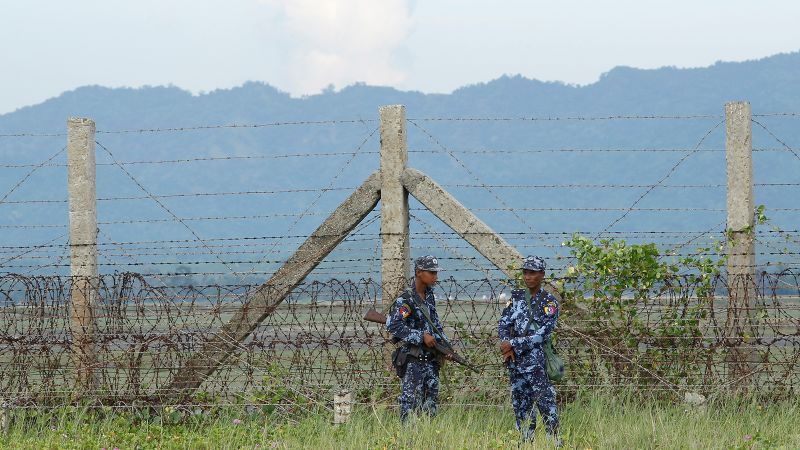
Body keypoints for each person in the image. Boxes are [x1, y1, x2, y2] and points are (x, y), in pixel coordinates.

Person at [498, 255, 561, 445]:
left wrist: (513, 344)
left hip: (537, 364)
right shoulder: (516, 298)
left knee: (546, 404)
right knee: (521, 406)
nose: (528, 277)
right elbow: (503, 323)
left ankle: (554, 443)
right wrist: (505, 343)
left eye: (532, 273)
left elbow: (542, 334)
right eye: (525, 272)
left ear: (542, 275)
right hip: (516, 363)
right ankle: (525, 443)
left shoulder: (549, 303)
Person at [386, 255, 448, 423]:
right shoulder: (406, 300)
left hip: (431, 360)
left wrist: (445, 345)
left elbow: (435, 324)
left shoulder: (429, 296)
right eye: (431, 273)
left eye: (436, 273)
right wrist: (421, 336)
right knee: (410, 406)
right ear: (419, 272)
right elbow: (393, 326)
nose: (435, 277)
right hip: (414, 361)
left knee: (430, 407)